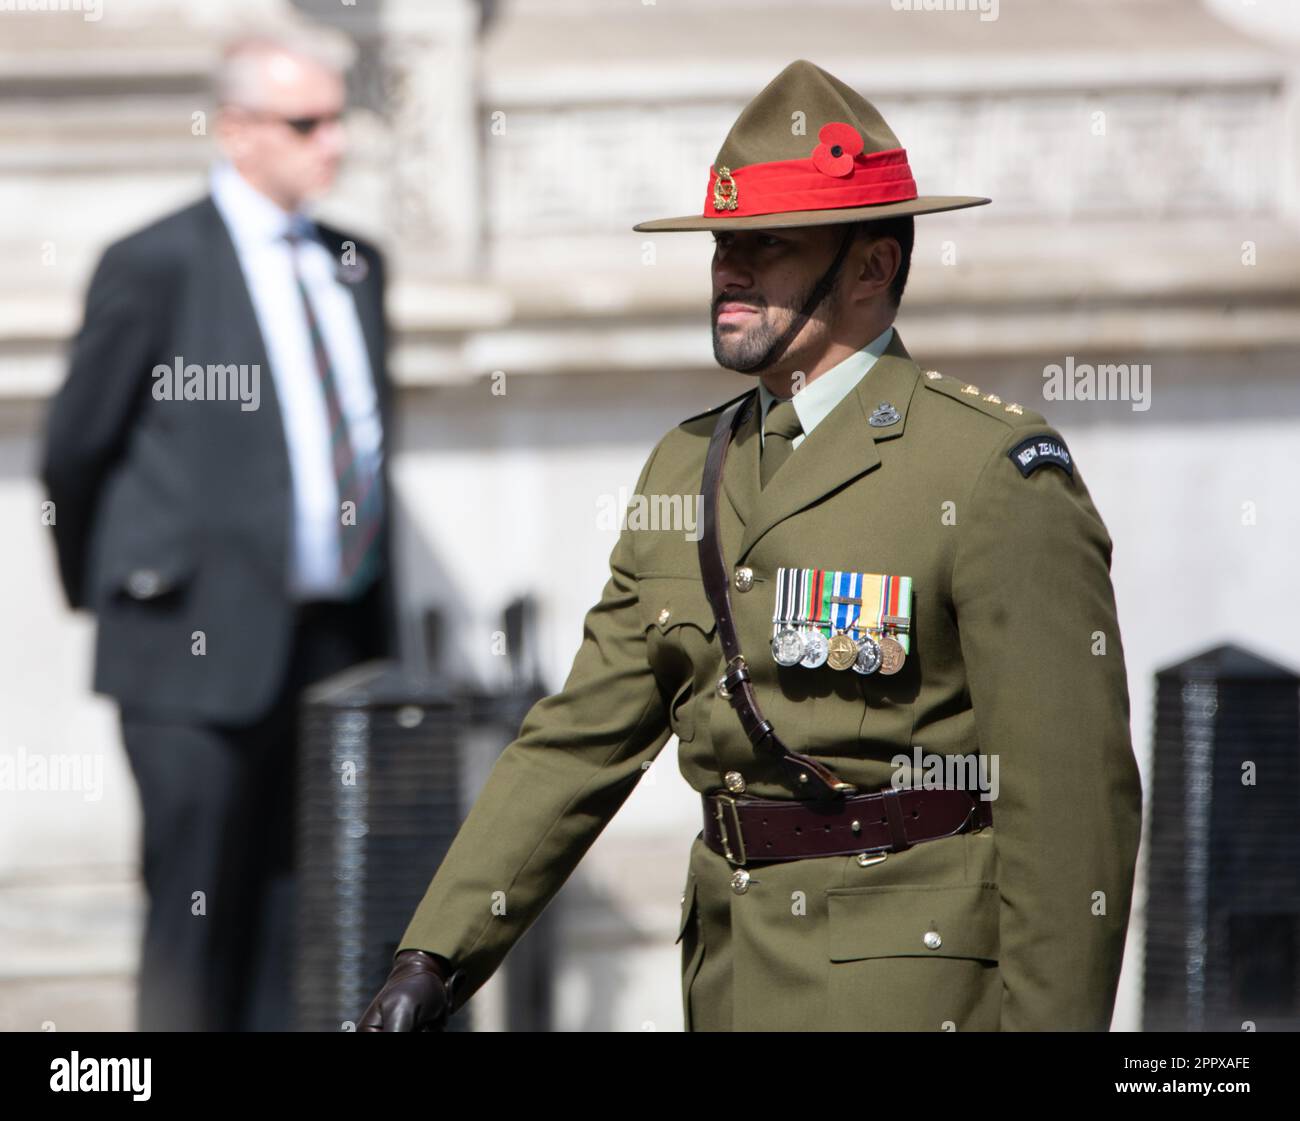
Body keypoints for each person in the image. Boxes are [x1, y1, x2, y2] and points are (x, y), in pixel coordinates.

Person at [359, 58, 1141, 1032]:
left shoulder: (988, 472)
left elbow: (1071, 802)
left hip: (914, 985)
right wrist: (433, 954)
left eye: (766, 245)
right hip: (727, 976)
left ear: (870, 266)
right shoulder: (686, 464)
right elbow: (579, 738)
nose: (729, 269)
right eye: (722, 242)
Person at [40, 24, 398, 1031]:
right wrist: (119, 587)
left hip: (332, 643)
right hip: (187, 646)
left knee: (312, 908)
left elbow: (369, 445)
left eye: (339, 118)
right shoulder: (155, 262)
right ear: (238, 129)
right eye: (306, 121)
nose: (333, 142)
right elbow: (73, 451)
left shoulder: (357, 264)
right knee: (196, 915)